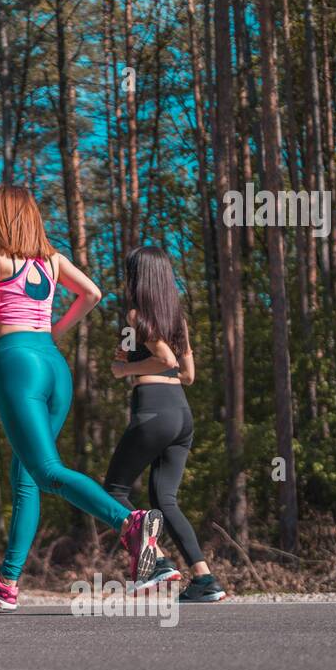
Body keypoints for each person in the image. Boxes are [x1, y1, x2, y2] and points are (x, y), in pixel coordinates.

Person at [0, 186, 163, 611]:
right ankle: (7, 580)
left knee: (47, 471)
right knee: (27, 477)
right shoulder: (51, 259)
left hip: (17, 361)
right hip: (54, 366)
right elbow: (91, 294)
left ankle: (130, 524)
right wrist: (55, 332)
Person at [103, 246, 226, 603]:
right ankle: (205, 580)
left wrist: (125, 369)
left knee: (112, 491)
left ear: (137, 278)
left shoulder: (136, 314)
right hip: (181, 415)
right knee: (164, 498)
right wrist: (130, 358)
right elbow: (187, 375)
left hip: (153, 411)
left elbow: (166, 359)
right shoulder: (177, 319)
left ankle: (156, 561)